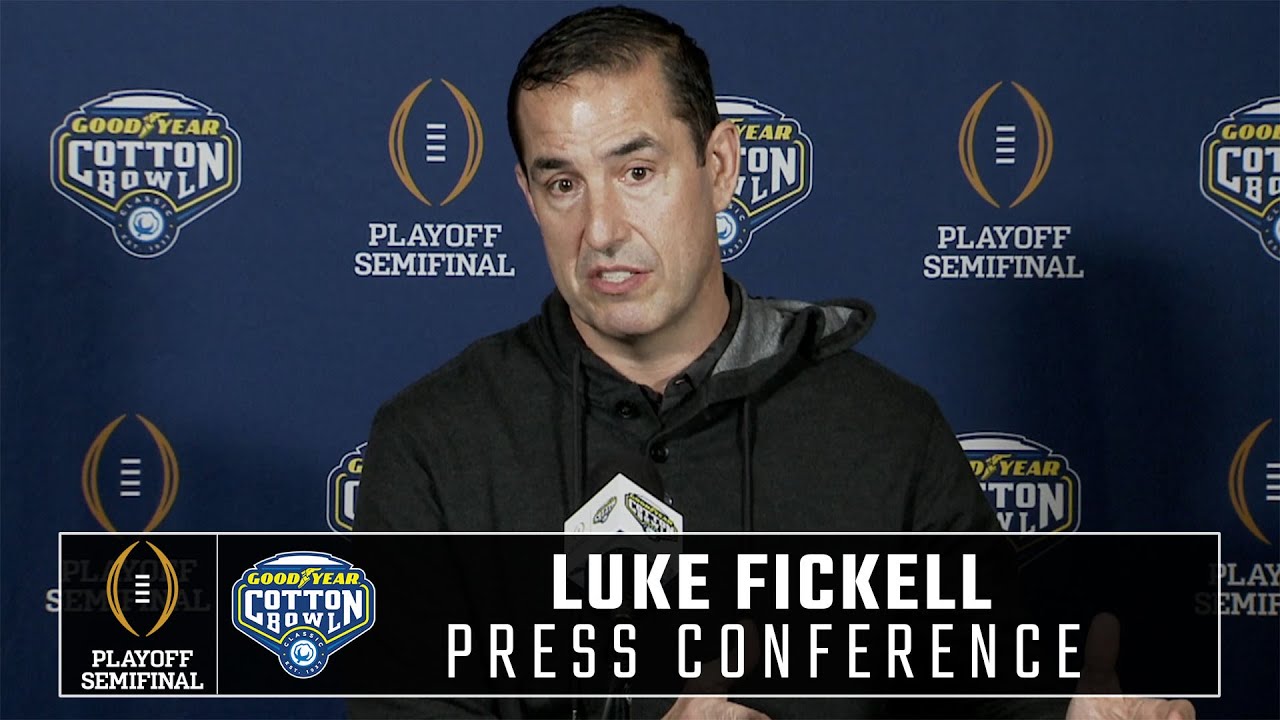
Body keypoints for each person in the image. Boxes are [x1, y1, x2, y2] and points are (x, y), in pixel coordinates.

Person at [352, 6, 1194, 719]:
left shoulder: (886, 433)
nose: (601, 230)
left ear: (718, 168)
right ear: (528, 195)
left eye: (637, 170)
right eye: (562, 183)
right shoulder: (436, 444)